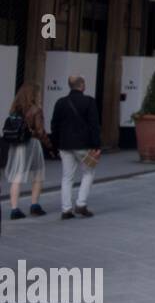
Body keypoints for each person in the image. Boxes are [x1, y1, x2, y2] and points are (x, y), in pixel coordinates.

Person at [49, 75, 101, 220]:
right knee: (89, 173)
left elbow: (54, 125)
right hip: (84, 145)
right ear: (82, 85)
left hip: (65, 145)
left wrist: (55, 145)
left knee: (67, 177)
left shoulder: (60, 102)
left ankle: (66, 210)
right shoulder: (89, 102)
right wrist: (96, 145)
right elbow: (94, 125)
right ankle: (81, 204)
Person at [4, 83, 54, 220]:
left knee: (17, 176)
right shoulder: (36, 109)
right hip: (32, 144)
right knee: (38, 175)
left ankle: (14, 209)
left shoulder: (15, 108)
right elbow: (40, 131)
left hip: (16, 145)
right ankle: (34, 205)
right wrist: (49, 145)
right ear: (33, 95)